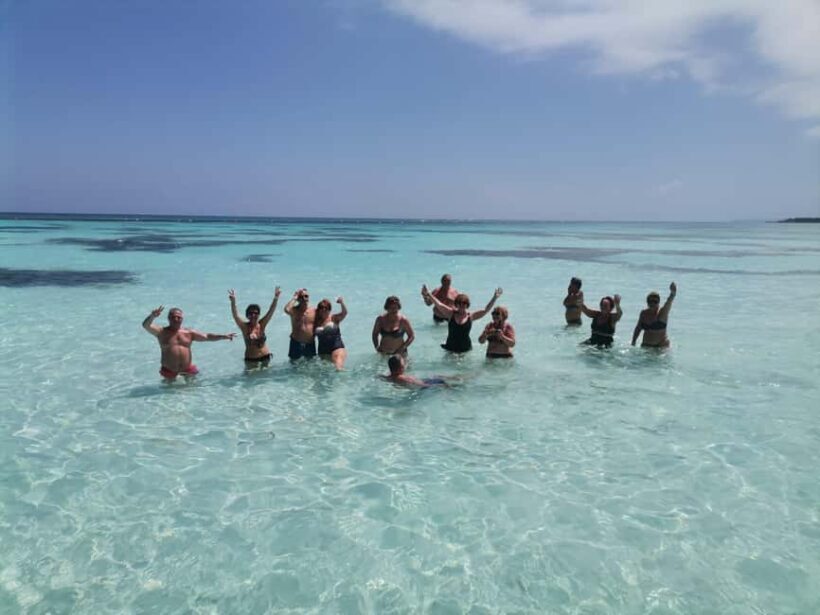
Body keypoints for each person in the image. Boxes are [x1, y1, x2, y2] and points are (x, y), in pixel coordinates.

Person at [142, 306, 235, 380]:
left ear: (182, 319)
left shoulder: (189, 333)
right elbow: (146, 325)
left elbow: (207, 336)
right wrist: (152, 316)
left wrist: (223, 336)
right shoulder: (161, 332)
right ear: (169, 318)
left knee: (193, 393)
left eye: (179, 317)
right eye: (173, 317)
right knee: (169, 397)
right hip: (169, 370)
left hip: (188, 369)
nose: (176, 319)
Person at [421, 285, 502, 353]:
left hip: (465, 350)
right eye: (459, 304)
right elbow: (438, 304)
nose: (462, 306)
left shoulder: (471, 316)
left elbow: (485, 310)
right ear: (456, 305)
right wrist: (428, 293)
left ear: (467, 305)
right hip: (450, 348)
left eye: (464, 304)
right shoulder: (450, 314)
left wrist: (494, 297)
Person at [228, 286, 281, 365]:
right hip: (251, 361)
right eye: (251, 313)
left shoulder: (262, 324)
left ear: (259, 315)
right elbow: (235, 315)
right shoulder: (244, 327)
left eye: (256, 313)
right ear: (247, 315)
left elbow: (271, 311)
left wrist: (276, 298)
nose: (253, 315)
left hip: (265, 358)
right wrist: (233, 302)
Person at [632, 282, 677, 348]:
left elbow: (669, 301)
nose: (652, 303)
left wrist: (673, 293)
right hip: (646, 346)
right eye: (650, 301)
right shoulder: (644, 314)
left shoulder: (663, 312)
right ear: (647, 302)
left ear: (658, 302)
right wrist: (633, 341)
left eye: (655, 301)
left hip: (661, 347)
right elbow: (638, 328)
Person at [314, 296, 348, 369]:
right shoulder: (316, 321)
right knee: (326, 373)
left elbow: (344, 313)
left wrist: (342, 303)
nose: (324, 310)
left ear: (329, 310)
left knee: (338, 368)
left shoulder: (334, 318)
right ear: (318, 310)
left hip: (337, 348)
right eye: (321, 308)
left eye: (326, 308)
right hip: (323, 352)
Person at [284, 288, 316, 360]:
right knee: (294, 367)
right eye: (301, 297)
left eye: (306, 296)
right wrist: (294, 298)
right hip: (296, 343)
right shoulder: (294, 310)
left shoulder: (314, 311)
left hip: (310, 344)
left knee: (310, 367)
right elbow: (286, 309)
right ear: (298, 299)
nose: (304, 298)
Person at [383, 354, 447, 388]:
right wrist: (437, 386)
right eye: (403, 365)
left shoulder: (389, 376)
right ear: (400, 368)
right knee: (443, 382)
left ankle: (454, 378)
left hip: (422, 381)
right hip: (424, 385)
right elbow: (421, 385)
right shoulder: (402, 378)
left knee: (437, 376)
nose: (405, 366)